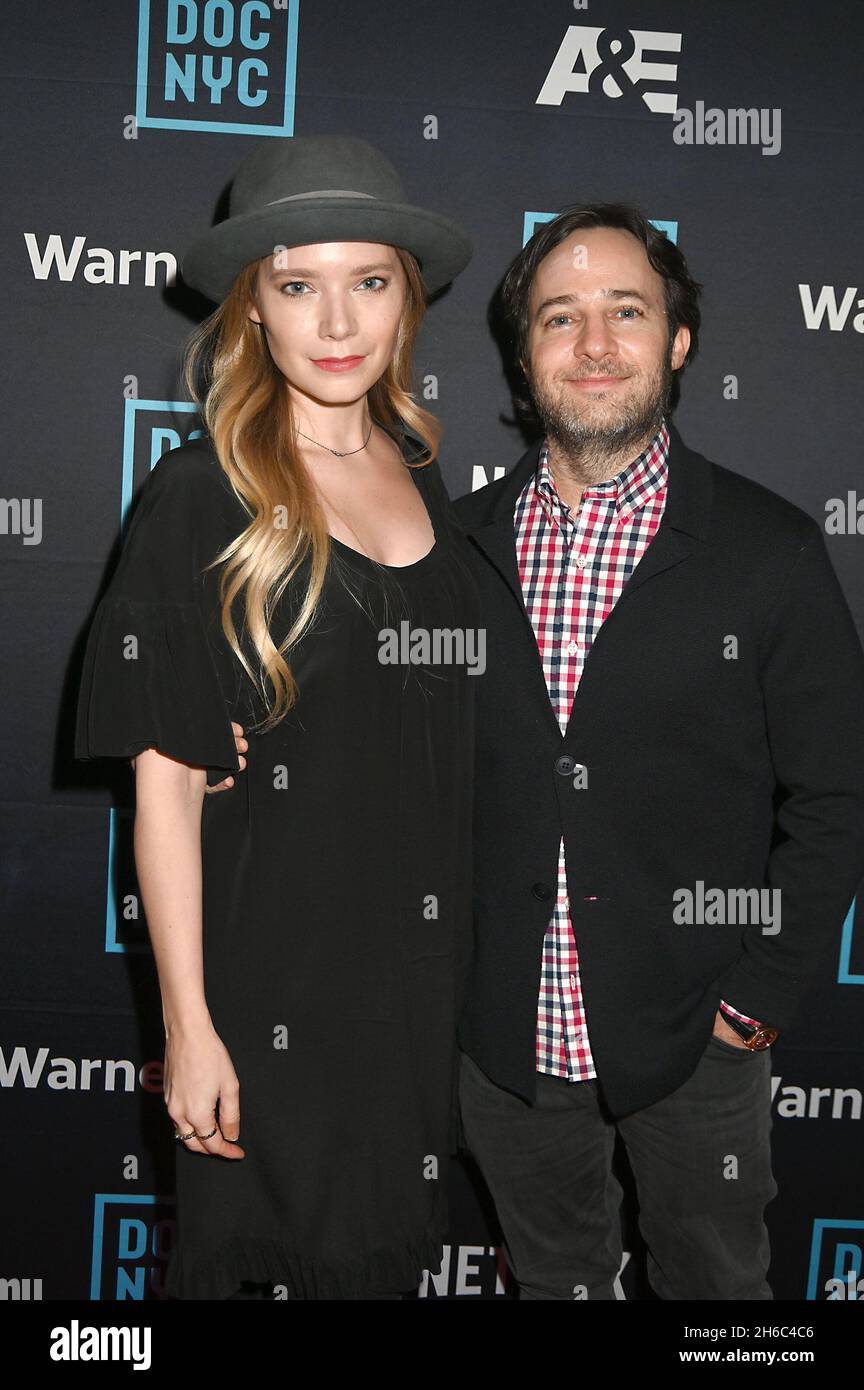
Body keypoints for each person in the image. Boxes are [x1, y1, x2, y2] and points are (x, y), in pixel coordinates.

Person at [74, 134, 480, 1300]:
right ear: (255, 306)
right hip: (274, 977)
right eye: (299, 284)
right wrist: (190, 1026)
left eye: (370, 281)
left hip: (414, 981)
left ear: (407, 300)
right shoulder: (202, 493)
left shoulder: (427, 475)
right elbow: (163, 790)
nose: (336, 319)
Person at [447, 204, 864, 1299]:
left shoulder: (769, 551)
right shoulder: (451, 549)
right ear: (522, 351)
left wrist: (755, 999)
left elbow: (839, 793)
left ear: (677, 341)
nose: (593, 345)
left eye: (625, 312)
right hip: (506, 1036)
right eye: (559, 317)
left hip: (698, 1040)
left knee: (722, 1292)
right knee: (554, 1281)